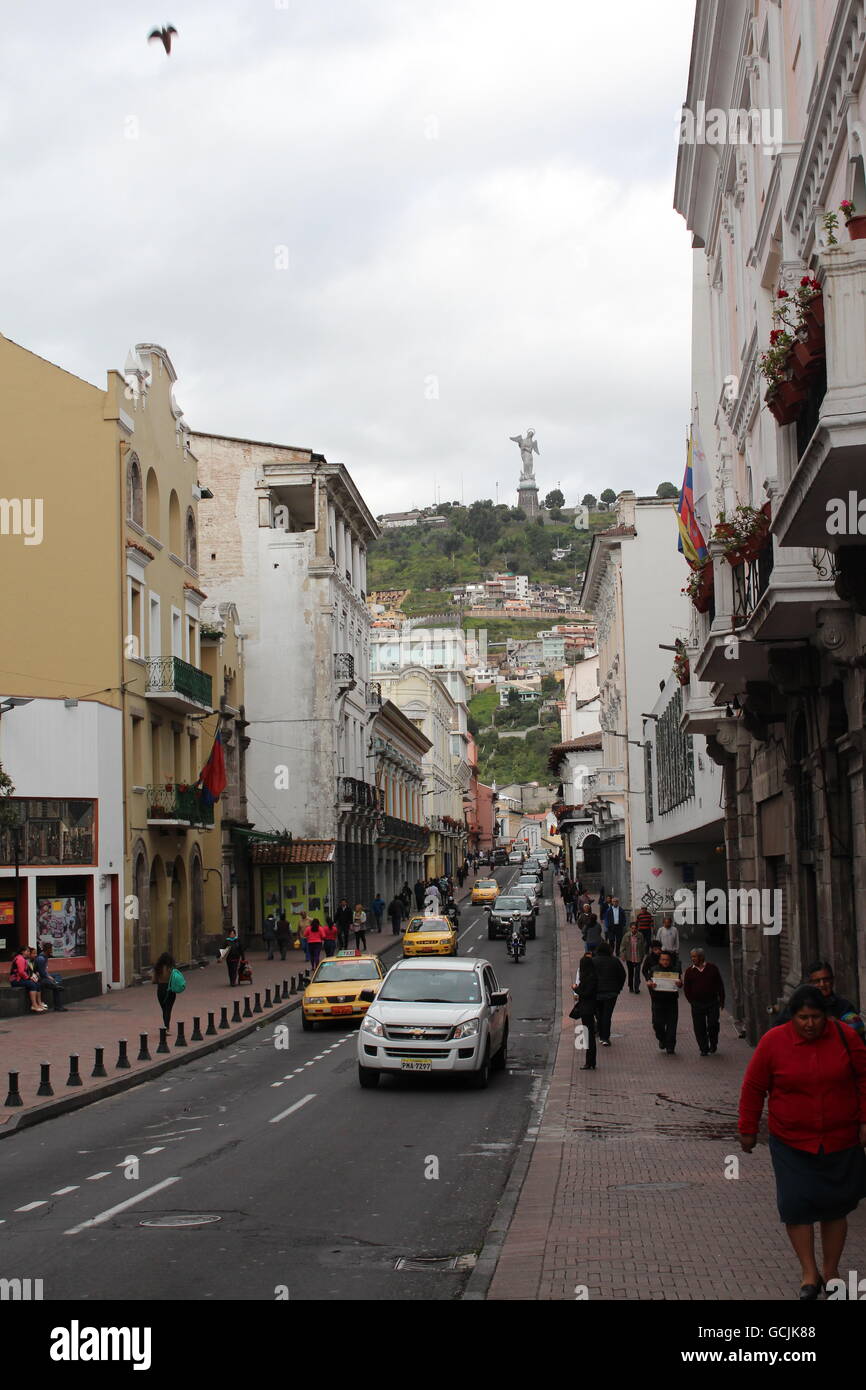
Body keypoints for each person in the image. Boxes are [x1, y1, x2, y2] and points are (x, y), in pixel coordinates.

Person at [739, 984, 866, 1300]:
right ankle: (809, 1274)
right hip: (792, 1140)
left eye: (816, 1017)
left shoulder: (845, 1038)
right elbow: (754, 1087)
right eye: (803, 1017)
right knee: (797, 1205)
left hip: (840, 1137)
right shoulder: (773, 1042)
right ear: (792, 1017)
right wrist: (748, 1128)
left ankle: (831, 1270)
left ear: (826, 1016)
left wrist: (864, 1120)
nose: (810, 1023)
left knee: (835, 1206)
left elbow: (864, 1078)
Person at [773, 961, 865, 1037]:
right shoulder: (797, 1005)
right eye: (817, 981)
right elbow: (778, 1031)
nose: (822, 984)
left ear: (832, 980)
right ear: (809, 982)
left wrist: (834, 1024)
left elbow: (857, 1030)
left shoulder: (843, 1006)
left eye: (826, 980)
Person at [683, 948, 725, 1055]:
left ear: (701, 957)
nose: (692, 959)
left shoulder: (712, 968)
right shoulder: (689, 971)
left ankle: (713, 1043)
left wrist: (722, 1000)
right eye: (691, 956)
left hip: (712, 1002)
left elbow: (720, 984)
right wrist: (691, 1001)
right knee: (699, 1027)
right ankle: (703, 1048)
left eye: (694, 956)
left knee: (713, 1024)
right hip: (697, 1004)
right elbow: (687, 989)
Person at [646, 949, 683, 1054]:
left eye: (667, 960)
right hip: (658, 1001)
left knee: (672, 1024)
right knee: (658, 1024)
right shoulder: (654, 970)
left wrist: (680, 983)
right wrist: (649, 984)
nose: (665, 962)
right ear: (659, 960)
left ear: (670, 960)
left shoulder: (675, 971)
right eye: (663, 959)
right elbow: (648, 981)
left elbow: (680, 984)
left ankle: (670, 1046)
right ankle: (662, 1039)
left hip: (671, 1002)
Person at [592, 941, 626, 1046]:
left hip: (596, 993)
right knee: (607, 1015)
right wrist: (618, 988)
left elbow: (588, 977)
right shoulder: (615, 961)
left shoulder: (593, 961)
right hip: (611, 993)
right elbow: (623, 975)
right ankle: (605, 1037)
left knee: (599, 1014)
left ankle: (601, 1033)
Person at [572, 953, 599, 1071]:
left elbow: (586, 993)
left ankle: (590, 1062)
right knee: (588, 1035)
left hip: (587, 1009)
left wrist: (576, 989)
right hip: (588, 1008)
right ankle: (590, 1061)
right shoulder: (591, 976)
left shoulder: (590, 978)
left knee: (589, 1036)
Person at [9, 947, 46, 1011]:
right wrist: (29, 978)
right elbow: (21, 972)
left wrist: (31, 977)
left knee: (37, 984)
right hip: (16, 980)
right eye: (27, 951)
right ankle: (34, 1005)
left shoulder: (23, 959)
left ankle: (38, 1003)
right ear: (22, 952)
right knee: (32, 984)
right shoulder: (20, 959)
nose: (29, 953)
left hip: (20, 979)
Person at [34, 941, 67, 1011]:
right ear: (48, 949)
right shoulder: (41, 959)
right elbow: (42, 973)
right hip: (40, 979)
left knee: (57, 975)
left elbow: (45, 971)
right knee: (56, 988)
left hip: (44, 976)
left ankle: (56, 984)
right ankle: (58, 1006)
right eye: (51, 949)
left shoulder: (45, 957)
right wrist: (49, 977)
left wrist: (50, 977)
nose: (52, 950)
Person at [619, 921, 646, 993]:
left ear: (637, 928)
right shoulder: (626, 936)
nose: (634, 930)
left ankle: (636, 987)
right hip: (629, 957)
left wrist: (643, 955)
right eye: (632, 928)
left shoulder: (640, 935)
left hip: (638, 957)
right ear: (630, 928)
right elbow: (622, 946)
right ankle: (631, 986)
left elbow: (643, 946)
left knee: (637, 974)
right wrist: (622, 954)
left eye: (635, 928)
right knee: (630, 973)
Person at [153, 952, 177, 1029]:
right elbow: (175, 979)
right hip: (170, 989)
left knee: (164, 1009)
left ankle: (165, 1026)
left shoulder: (158, 968)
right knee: (168, 1009)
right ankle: (166, 1027)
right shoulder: (171, 968)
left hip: (160, 989)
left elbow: (154, 980)